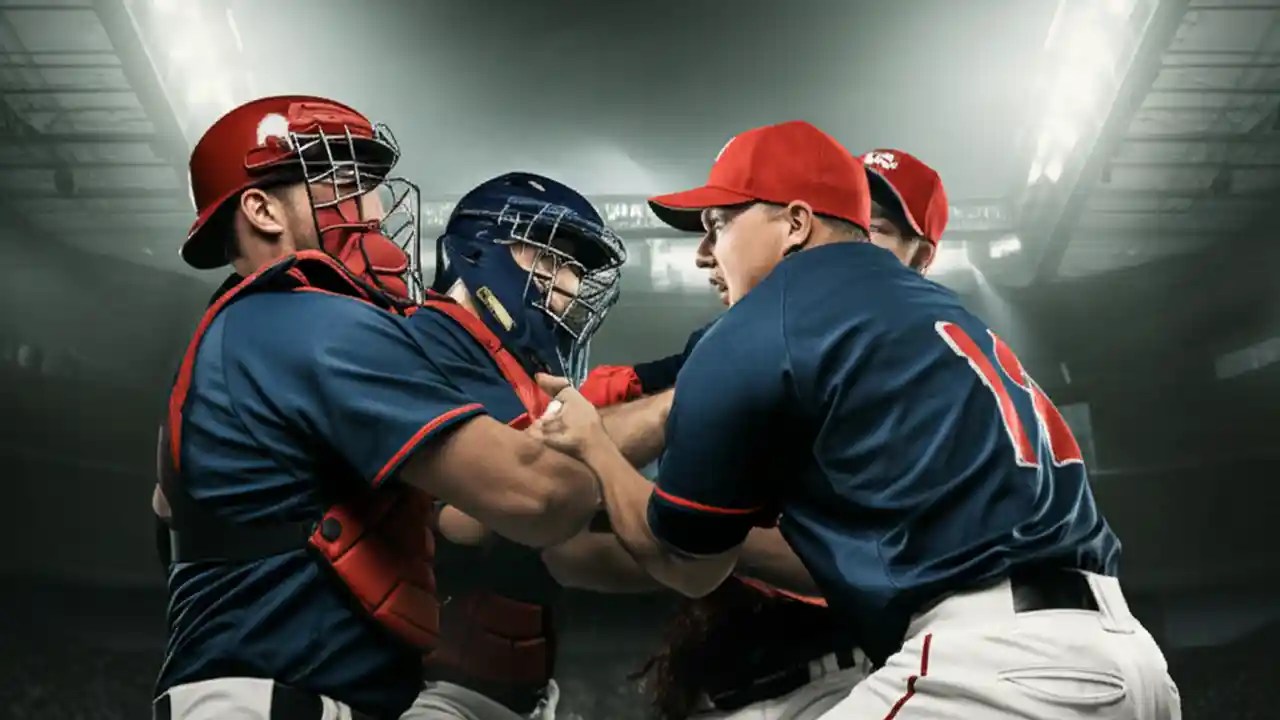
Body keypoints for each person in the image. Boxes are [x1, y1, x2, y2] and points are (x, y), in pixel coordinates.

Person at [530, 119, 1180, 720]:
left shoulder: (760, 325)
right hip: (1127, 652)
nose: (704, 252)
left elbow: (686, 565)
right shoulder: (944, 313)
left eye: (718, 222)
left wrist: (593, 443)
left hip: (992, 663)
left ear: (795, 223)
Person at [154, 96, 615, 720]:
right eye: (343, 183)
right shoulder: (308, 320)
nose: (373, 208)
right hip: (274, 701)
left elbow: (166, 517)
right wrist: (595, 452)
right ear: (260, 209)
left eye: (372, 185)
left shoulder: (240, 327)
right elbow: (536, 498)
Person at [540, 149, 949, 720]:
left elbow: (875, 557)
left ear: (921, 257)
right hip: (719, 676)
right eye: (848, 215)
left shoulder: (925, 360)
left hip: (844, 676)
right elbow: (581, 445)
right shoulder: (739, 337)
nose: (853, 239)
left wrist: (684, 526)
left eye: (874, 228)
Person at [387, 171, 672, 720]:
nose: (567, 285)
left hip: (510, 690)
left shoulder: (509, 365)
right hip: (434, 686)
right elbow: (508, 503)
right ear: (479, 253)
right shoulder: (430, 339)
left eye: (576, 268)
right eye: (549, 257)